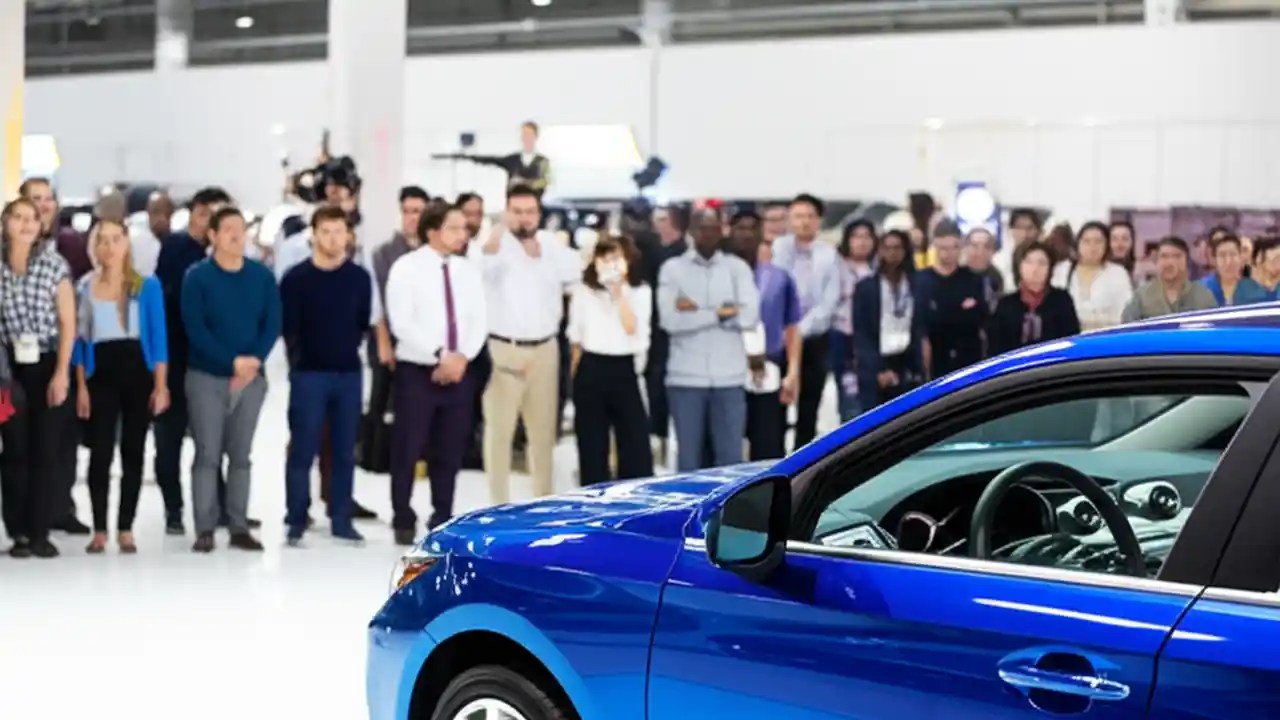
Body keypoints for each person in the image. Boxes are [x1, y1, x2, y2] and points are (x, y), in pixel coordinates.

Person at [384, 202, 487, 545]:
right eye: (454, 228)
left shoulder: (468, 270)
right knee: (408, 446)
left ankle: (442, 513)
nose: (462, 234)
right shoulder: (406, 268)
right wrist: (440, 354)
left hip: (459, 370)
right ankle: (402, 515)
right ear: (432, 231)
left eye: (464, 228)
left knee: (450, 447)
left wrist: (461, 358)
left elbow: (479, 320)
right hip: (418, 369)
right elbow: (402, 322)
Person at [181, 207, 281, 553]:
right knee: (207, 454)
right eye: (228, 230)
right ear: (212, 236)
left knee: (241, 455)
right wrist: (231, 361)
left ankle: (239, 526)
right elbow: (196, 329)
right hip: (206, 377)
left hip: (251, 378)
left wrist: (254, 360)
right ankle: (205, 528)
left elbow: (272, 323)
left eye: (242, 229)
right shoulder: (197, 277)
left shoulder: (261, 277)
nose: (237, 236)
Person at [72, 219, 169, 554]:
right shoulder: (85, 287)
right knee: (100, 452)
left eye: (116, 239)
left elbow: (158, 338)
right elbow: (80, 343)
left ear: (126, 243)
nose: (109, 247)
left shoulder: (146, 286)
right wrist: (81, 386)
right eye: (102, 240)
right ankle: (99, 528)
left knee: (133, 450)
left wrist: (161, 386)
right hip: (100, 373)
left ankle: (126, 527)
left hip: (137, 371)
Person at [480, 185, 581, 504]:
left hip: (545, 349)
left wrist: (542, 256)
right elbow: (483, 272)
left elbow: (577, 273)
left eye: (530, 212)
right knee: (499, 433)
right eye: (517, 212)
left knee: (543, 434)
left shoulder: (551, 245)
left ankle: (543, 505)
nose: (524, 218)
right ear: (507, 213)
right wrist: (496, 240)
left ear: (539, 214)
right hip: (504, 348)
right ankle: (498, 506)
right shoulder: (494, 246)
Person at [279, 206, 371, 546]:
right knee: (303, 449)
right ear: (314, 235)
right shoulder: (295, 279)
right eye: (326, 232)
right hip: (309, 374)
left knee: (345, 450)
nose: (333, 239)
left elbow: (361, 322)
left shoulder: (358, 278)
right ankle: (296, 517)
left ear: (348, 235)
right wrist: (298, 362)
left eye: (339, 232)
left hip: (348, 373)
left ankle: (341, 517)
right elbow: (289, 327)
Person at [152, 186, 234, 534]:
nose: (209, 222)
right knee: (169, 440)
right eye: (204, 214)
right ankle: (174, 510)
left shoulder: (225, 257)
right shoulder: (175, 249)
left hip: (210, 363)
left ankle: (221, 507)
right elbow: (167, 302)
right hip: (175, 361)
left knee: (212, 440)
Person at [0, 198, 76, 558]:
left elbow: (67, 322)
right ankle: (18, 532)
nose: (26, 224)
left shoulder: (53, 265)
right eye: (18, 217)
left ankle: (40, 530)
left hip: (46, 363)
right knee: (15, 449)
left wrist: (62, 373)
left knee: (45, 449)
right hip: (7, 368)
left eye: (32, 218)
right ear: (5, 224)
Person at [659, 208, 759, 472]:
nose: (708, 234)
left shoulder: (737, 268)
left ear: (721, 231)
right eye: (702, 228)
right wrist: (721, 312)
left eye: (713, 228)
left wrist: (694, 309)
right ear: (691, 231)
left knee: (731, 462)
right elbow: (670, 321)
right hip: (685, 378)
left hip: (730, 378)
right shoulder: (673, 269)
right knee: (689, 462)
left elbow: (750, 317)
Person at [20, 177, 91, 535]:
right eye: (36, 199)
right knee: (21, 438)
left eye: (49, 199)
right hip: (16, 360)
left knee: (62, 436)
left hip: (62, 353)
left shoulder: (70, 246)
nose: (44, 205)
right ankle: (24, 516)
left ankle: (59, 507)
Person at [568, 234, 653, 484]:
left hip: (624, 368)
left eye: (615, 258)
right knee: (592, 447)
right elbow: (575, 338)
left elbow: (633, 329)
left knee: (635, 447)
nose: (609, 264)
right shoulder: (583, 292)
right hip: (591, 367)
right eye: (603, 258)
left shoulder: (640, 291)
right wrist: (574, 377)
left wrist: (619, 294)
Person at [770, 193, 840, 449]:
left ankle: (804, 460)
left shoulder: (829, 254)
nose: (804, 222)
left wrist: (799, 328)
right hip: (778, 339)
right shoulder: (777, 249)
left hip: (814, 338)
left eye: (810, 216)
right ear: (789, 219)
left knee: (809, 409)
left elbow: (830, 301)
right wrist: (786, 327)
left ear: (818, 220)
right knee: (774, 409)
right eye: (798, 216)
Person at [731, 210, 800, 460]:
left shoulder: (779, 278)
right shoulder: (718, 275)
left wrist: (793, 372)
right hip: (725, 371)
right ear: (730, 232)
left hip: (768, 369)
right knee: (727, 448)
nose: (747, 234)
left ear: (762, 234)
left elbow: (792, 327)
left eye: (753, 228)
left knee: (768, 447)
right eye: (741, 228)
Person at [853, 230, 924, 410]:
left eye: (897, 248)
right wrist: (876, 370)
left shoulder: (917, 284)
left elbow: (920, 329)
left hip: (907, 364)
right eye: (887, 248)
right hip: (877, 362)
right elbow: (861, 334)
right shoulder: (866, 288)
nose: (892, 253)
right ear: (880, 251)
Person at [640, 205, 689, 450]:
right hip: (655, 330)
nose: (655, 224)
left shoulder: (686, 255)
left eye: (661, 219)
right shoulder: (651, 252)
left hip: (681, 330)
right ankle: (658, 434)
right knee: (655, 382)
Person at [916, 222, 987, 379]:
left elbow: (981, 318)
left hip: (967, 359)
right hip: (935, 359)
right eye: (940, 248)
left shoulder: (973, 280)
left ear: (960, 247)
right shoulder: (921, 280)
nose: (945, 254)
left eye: (950, 248)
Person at [988, 241, 1081, 355]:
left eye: (1042, 263)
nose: (1035, 268)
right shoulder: (1006, 304)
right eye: (1029, 262)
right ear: (1019, 266)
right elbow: (995, 349)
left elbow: (1071, 342)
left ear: (1050, 268)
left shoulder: (1062, 300)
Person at [830, 220, 875, 423]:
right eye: (857, 237)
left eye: (867, 237)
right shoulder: (837, 266)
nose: (862, 242)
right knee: (850, 397)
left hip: (871, 337)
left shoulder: (877, 268)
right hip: (844, 336)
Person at [1051, 221, 1134, 331]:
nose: (1092, 247)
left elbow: (1126, 312)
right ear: (1078, 244)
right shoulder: (1062, 270)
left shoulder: (1118, 273)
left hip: (1105, 336)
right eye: (1087, 241)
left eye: (1098, 241)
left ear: (1107, 245)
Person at [1122, 236, 1218, 322]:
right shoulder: (1142, 296)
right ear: (1156, 261)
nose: (1170, 263)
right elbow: (1127, 329)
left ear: (1187, 262)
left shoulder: (1203, 296)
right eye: (1164, 256)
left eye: (1177, 256)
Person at [448, 122, 553, 198]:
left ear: (536, 136)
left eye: (529, 134)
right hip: (513, 202)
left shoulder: (543, 161)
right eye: (524, 134)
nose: (526, 138)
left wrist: (524, 183)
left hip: (533, 204)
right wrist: (469, 157)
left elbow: (545, 182)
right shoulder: (513, 159)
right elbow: (491, 160)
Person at [1201, 233, 1269, 307]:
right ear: (1214, 260)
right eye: (1222, 255)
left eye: (1233, 254)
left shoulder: (1255, 290)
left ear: (1241, 258)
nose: (1228, 262)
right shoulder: (1201, 289)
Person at [962, 227, 1005, 313]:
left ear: (993, 251)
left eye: (987, 247)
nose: (980, 251)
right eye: (975, 246)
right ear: (965, 248)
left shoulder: (995, 277)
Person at [132, 191, 174, 276]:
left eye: (166, 213)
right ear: (148, 212)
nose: (161, 218)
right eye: (155, 212)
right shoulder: (135, 240)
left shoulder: (179, 243)